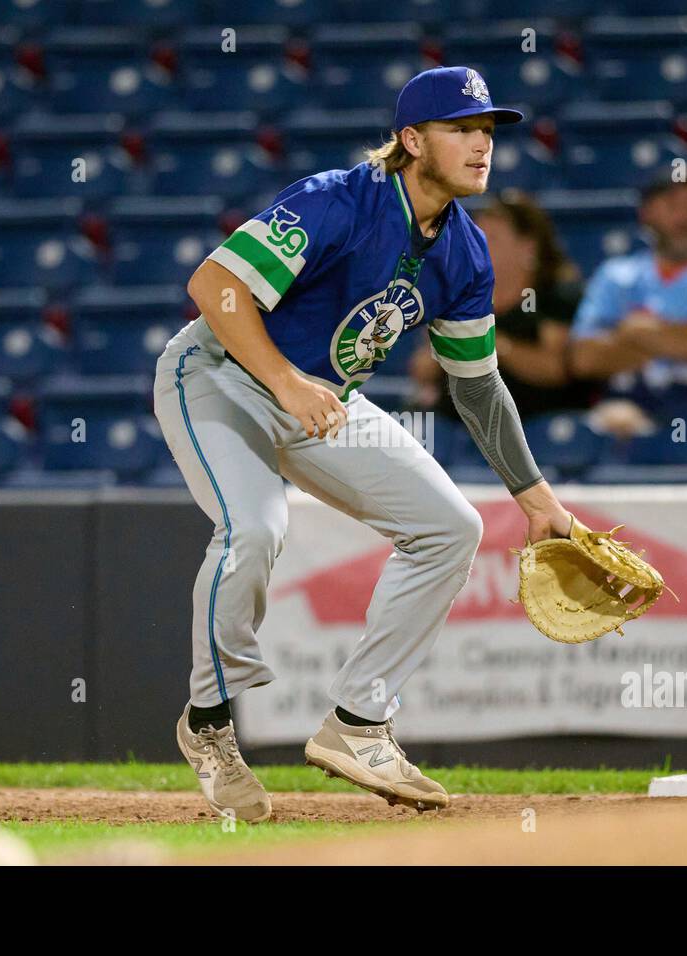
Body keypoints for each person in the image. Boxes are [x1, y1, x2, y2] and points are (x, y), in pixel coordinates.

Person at [155, 67, 575, 821]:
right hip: (219, 375)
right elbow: (213, 285)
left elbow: (475, 386)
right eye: (462, 130)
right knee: (254, 529)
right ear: (413, 141)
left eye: (488, 132)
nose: (482, 146)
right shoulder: (337, 200)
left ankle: (358, 722)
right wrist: (285, 382)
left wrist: (534, 494)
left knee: (451, 528)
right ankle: (209, 726)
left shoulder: (467, 254)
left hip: (319, 400)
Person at [568, 166, 687, 438]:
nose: (684, 217)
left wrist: (634, 331)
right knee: (606, 425)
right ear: (646, 213)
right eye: (672, 205)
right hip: (627, 406)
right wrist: (679, 339)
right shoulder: (616, 275)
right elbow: (583, 358)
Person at [409, 190, 593, 419]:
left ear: (528, 248)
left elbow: (555, 368)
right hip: (464, 425)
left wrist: (490, 342)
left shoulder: (552, 295)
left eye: (492, 238)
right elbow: (422, 370)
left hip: (540, 424)